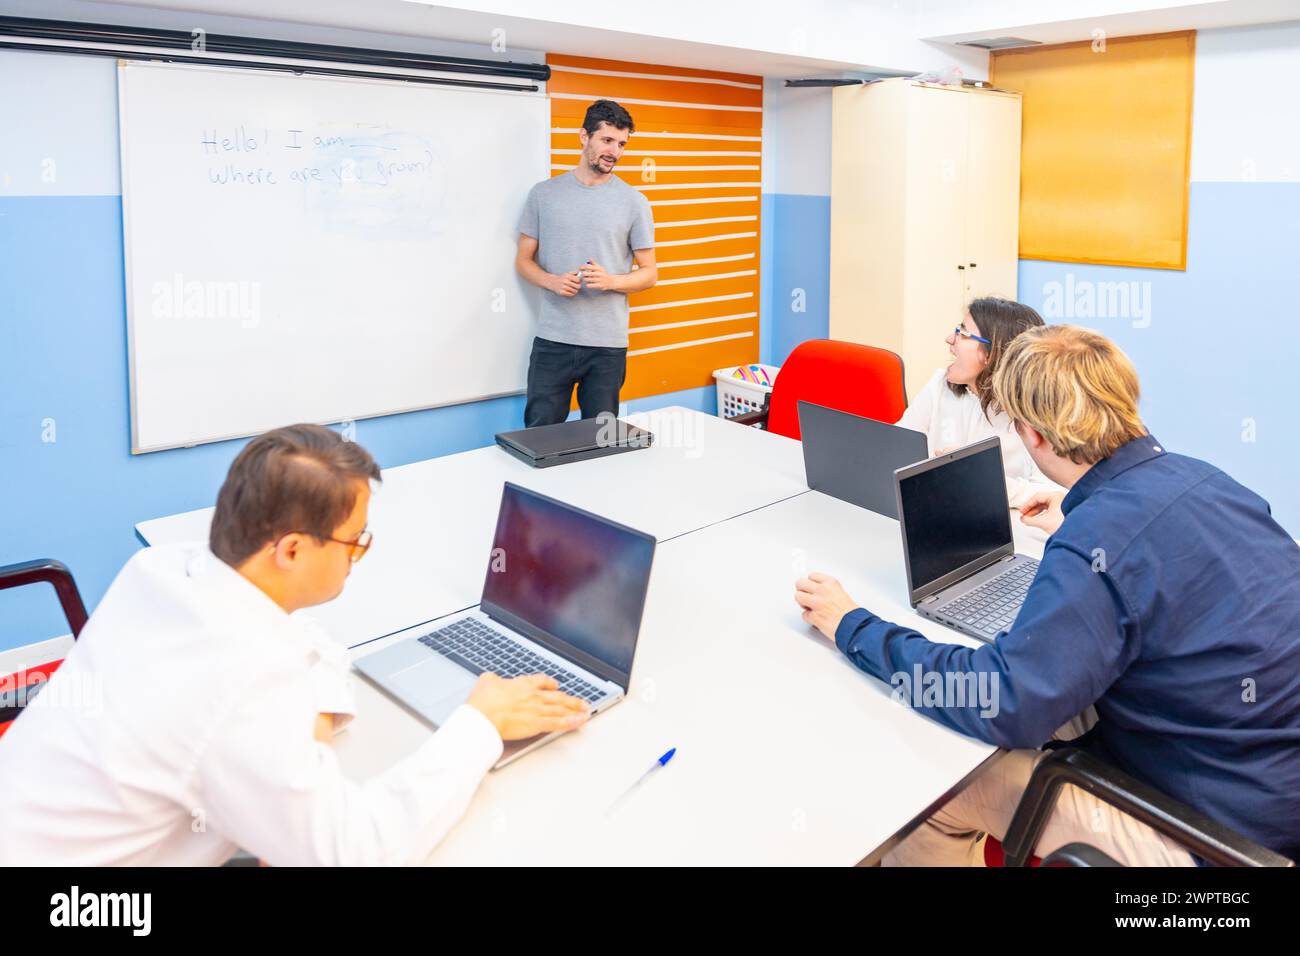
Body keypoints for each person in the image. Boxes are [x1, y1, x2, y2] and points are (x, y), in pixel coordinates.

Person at [795, 325, 1300, 865]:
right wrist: (1082, 527)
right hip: (1270, 787)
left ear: (1032, 435)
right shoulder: (1207, 481)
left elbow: (1001, 702)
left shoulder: (1100, 539)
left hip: (1221, 845)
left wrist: (853, 626)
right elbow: (1171, 567)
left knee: (938, 790)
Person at [0, 424, 590, 865]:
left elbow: (304, 644)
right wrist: (479, 726)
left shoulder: (161, 570)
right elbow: (356, 850)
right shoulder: (235, 686)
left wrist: (307, 719)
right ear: (291, 551)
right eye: (354, 542)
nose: (359, 556)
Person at [515, 98, 658, 427]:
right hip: (554, 340)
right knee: (540, 435)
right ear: (584, 137)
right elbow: (523, 261)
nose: (615, 152)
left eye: (622, 144)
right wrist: (550, 280)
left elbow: (650, 273)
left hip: (607, 346)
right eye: (607, 140)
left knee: (599, 440)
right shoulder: (543, 194)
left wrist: (611, 281)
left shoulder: (634, 202)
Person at [898, 296, 1061, 509]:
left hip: (1007, 528)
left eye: (962, 334)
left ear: (993, 353)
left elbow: (1055, 493)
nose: (950, 339)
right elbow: (897, 449)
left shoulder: (1038, 412)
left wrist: (983, 482)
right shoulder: (939, 384)